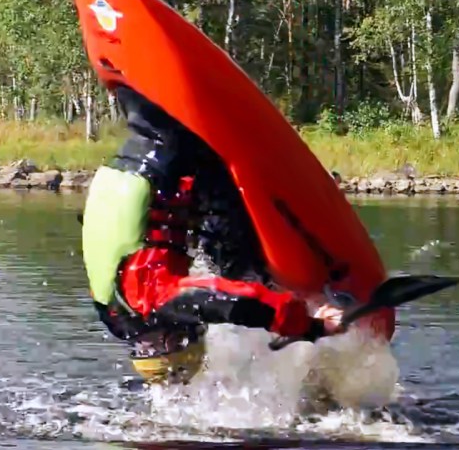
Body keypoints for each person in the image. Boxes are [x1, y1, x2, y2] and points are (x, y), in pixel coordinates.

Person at [81, 85, 344, 384]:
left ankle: (289, 246)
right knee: (218, 255)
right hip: (134, 159)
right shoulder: (114, 316)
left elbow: (233, 303)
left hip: (171, 157)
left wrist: (310, 326)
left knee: (240, 268)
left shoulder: (158, 306)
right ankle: (131, 89)